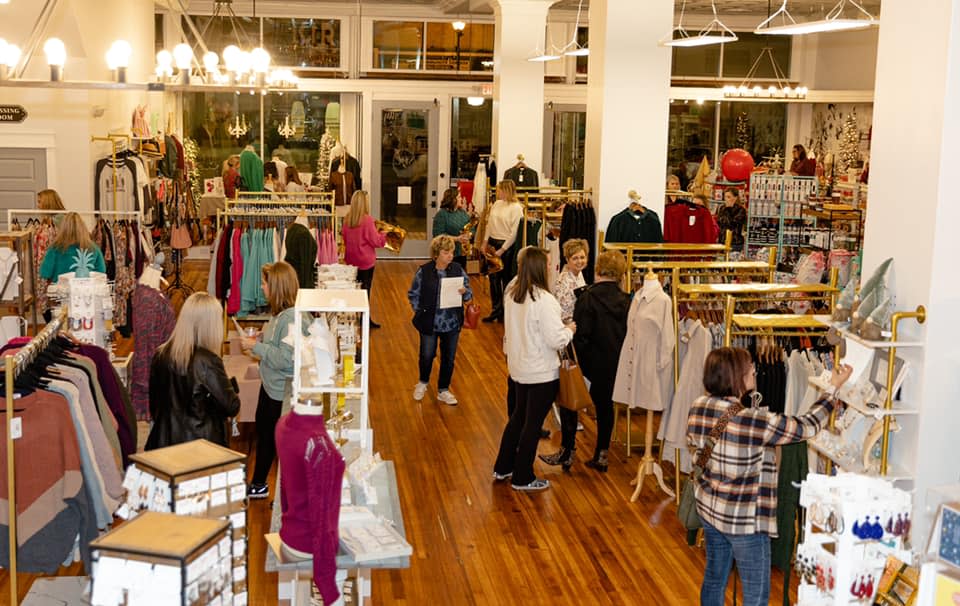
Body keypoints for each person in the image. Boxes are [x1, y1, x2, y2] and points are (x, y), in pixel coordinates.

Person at [688, 347, 852, 606]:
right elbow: (806, 426)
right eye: (749, 367)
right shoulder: (754, 421)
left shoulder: (698, 406)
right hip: (744, 521)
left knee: (714, 577)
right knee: (755, 593)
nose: (754, 369)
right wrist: (831, 390)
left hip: (710, 509)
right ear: (736, 377)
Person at [493, 247, 575, 492]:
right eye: (548, 264)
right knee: (532, 424)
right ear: (540, 268)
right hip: (541, 371)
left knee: (518, 418)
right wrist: (570, 330)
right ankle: (522, 476)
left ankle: (503, 466)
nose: (551, 268)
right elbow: (555, 339)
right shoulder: (544, 300)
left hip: (519, 366)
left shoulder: (512, 292)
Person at [146, 292, 242, 450]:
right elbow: (232, 406)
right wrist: (230, 387)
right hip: (201, 449)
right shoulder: (208, 361)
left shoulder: (160, 355)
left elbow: (155, 405)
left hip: (164, 444)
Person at [242, 262, 304, 499]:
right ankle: (259, 483)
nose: (261, 286)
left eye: (265, 283)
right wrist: (263, 339)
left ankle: (264, 486)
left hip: (279, 392)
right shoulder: (281, 315)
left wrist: (257, 346)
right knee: (265, 438)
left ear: (276, 287)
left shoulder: (291, 319)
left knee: (272, 440)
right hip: (270, 388)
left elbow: (287, 358)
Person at [567, 250, 631, 472]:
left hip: (590, 362)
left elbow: (580, 334)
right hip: (615, 361)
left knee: (571, 401)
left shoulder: (587, 297)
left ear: (598, 269)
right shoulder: (627, 300)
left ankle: (568, 450)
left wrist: (580, 361)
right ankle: (602, 451)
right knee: (606, 408)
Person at [539, 238, 589, 470]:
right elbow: (560, 313)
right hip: (566, 342)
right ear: (567, 260)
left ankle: (569, 447)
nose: (580, 261)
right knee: (568, 391)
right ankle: (567, 446)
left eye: (582, 257)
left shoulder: (579, 277)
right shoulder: (563, 282)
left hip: (575, 339)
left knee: (570, 390)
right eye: (575, 258)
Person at [408, 235, 473, 406]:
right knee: (427, 355)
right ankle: (422, 382)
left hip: (451, 322)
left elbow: (469, 295)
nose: (450, 256)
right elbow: (413, 293)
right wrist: (420, 311)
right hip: (429, 322)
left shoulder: (458, 269)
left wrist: (464, 292)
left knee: (449, 358)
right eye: (446, 252)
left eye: (451, 252)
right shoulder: (424, 271)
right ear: (436, 254)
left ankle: (443, 389)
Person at [342, 190, 387, 328]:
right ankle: (365, 319)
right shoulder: (367, 220)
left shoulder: (347, 219)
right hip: (366, 262)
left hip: (351, 260)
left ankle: (353, 317)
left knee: (354, 290)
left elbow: (345, 238)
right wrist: (384, 234)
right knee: (365, 291)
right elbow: (376, 242)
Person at [482, 179, 523, 323]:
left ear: (506, 190)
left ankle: (507, 311)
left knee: (506, 280)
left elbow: (514, 233)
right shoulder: (496, 204)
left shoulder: (517, 208)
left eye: (499, 189)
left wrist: (502, 250)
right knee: (493, 280)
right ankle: (496, 310)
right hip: (492, 243)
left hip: (506, 246)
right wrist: (484, 242)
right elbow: (489, 224)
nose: (497, 192)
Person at [39, 212, 106, 283]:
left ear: (63, 228)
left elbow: (44, 273)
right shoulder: (94, 248)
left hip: (60, 291)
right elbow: (101, 272)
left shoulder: (55, 248)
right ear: (83, 227)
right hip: (87, 291)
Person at [432, 187, 472, 268]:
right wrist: (457, 238)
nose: (461, 199)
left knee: (459, 277)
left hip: (461, 253)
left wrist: (469, 235)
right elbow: (438, 235)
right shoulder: (441, 214)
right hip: (445, 253)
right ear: (453, 199)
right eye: (459, 197)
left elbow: (471, 227)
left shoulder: (462, 213)